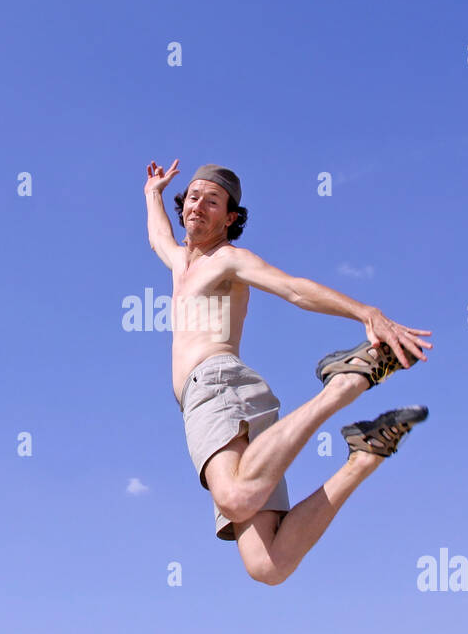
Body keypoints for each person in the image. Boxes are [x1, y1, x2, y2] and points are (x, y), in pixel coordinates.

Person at [144, 159, 434, 584]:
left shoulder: (228, 260)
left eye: (212, 200)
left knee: (236, 497)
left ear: (230, 218)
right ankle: (364, 454)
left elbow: (294, 288)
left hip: (219, 386)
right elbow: (157, 237)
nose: (198, 206)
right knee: (269, 564)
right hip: (213, 398)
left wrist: (365, 312)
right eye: (192, 197)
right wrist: (152, 191)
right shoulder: (180, 264)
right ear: (181, 205)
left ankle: (342, 385)